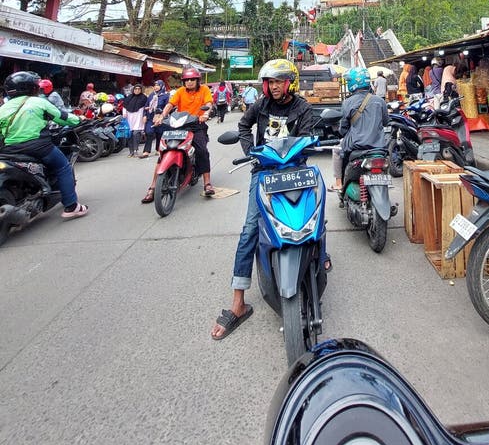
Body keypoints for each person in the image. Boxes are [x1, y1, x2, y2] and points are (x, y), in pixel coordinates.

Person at [210, 58, 316, 341]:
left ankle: (320, 256)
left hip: (295, 172)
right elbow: (244, 127)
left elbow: (308, 137)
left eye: (278, 81)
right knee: (250, 230)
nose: (273, 87)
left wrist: (303, 148)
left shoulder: (302, 108)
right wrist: (252, 150)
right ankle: (238, 303)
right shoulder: (261, 105)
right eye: (269, 82)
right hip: (264, 172)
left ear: (290, 82)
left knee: (313, 216)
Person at [0, 71, 88, 219]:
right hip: (39, 147)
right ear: (30, 87)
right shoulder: (38, 102)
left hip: (9, 150)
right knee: (63, 167)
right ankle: (72, 206)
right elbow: (63, 117)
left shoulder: (3, 108)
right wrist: (79, 119)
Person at [141, 68, 214, 202]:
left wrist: (206, 113)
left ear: (198, 80)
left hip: (196, 125)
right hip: (179, 125)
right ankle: (152, 187)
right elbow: (170, 104)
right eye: (187, 80)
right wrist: (161, 116)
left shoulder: (204, 90)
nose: (190, 82)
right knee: (163, 152)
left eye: (193, 79)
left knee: (202, 150)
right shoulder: (180, 91)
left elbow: (208, 103)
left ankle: (207, 183)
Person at [329, 67, 389, 193]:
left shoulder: (348, 102)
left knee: (336, 150)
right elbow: (385, 122)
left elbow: (343, 129)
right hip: (379, 147)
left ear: (352, 83)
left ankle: (339, 183)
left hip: (357, 146)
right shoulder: (380, 101)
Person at [139, 79, 170, 158]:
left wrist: (161, 112)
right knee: (149, 132)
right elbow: (146, 106)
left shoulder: (166, 95)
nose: (156, 87)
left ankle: (158, 149)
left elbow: (168, 107)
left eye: (158, 85)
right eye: (155, 85)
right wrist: (145, 115)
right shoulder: (151, 95)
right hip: (150, 117)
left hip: (160, 117)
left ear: (162, 86)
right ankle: (146, 151)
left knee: (160, 134)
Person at [123, 83, 148, 157]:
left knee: (136, 134)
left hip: (139, 118)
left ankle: (136, 150)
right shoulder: (129, 97)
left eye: (138, 89)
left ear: (141, 90)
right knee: (130, 135)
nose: (137, 90)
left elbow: (146, 107)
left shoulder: (144, 98)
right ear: (133, 90)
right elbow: (124, 106)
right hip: (129, 118)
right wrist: (124, 114)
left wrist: (145, 116)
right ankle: (131, 151)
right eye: (135, 89)